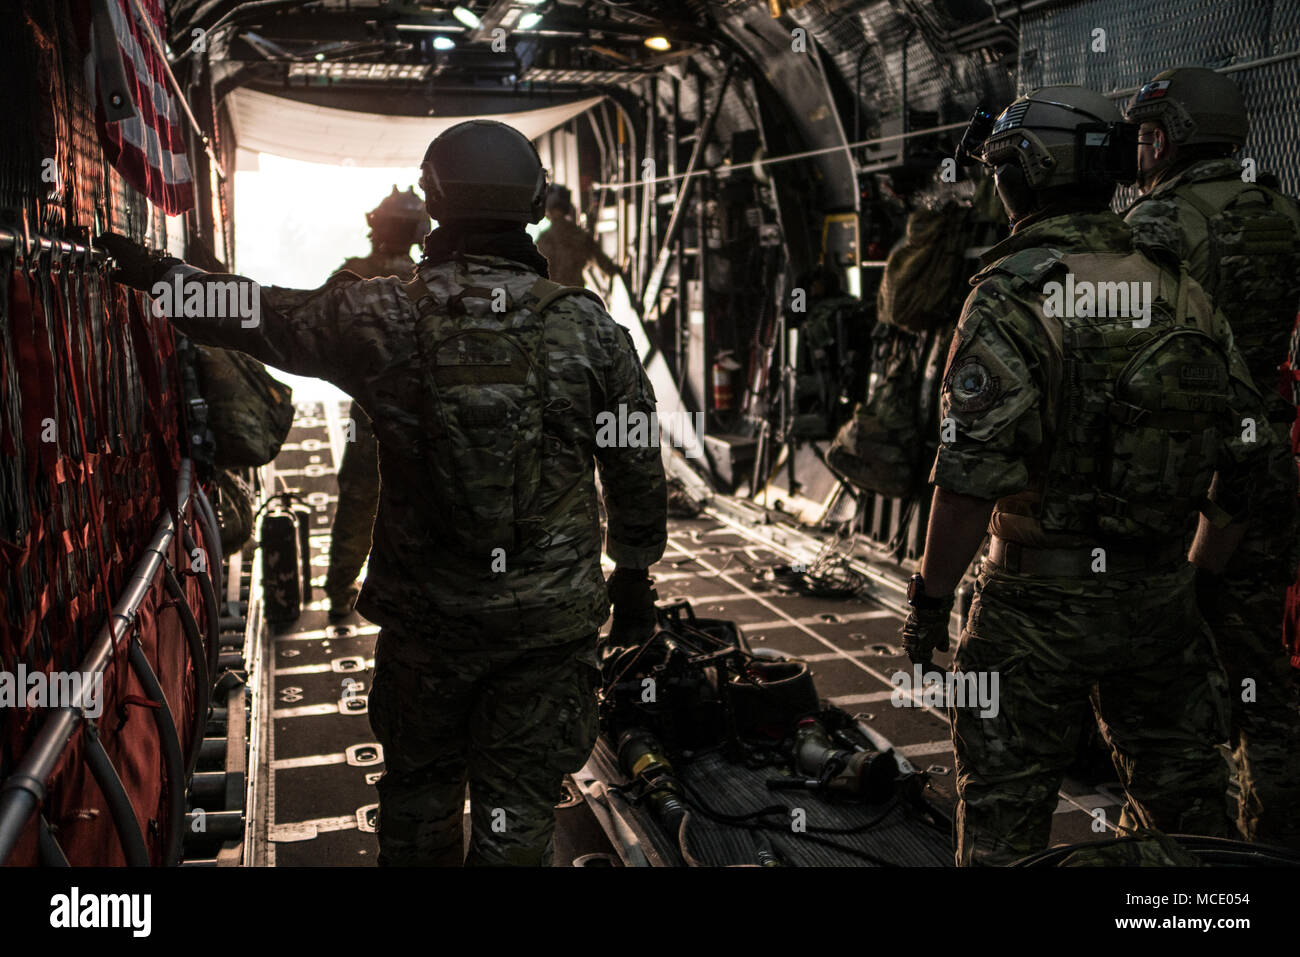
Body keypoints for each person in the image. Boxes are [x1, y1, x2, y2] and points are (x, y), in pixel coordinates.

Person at [96, 119, 668, 866]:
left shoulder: (380, 315)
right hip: (547, 636)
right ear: (531, 207)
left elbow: (262, 315)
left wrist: (151, 272)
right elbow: (634, 460)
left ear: (435, 204)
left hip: (427, 628)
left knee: (420, 795)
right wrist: (633, 574)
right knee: (517, 808)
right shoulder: (592, 333)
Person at [898, 86, 1274, 865]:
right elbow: (1249, 459)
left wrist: (930, 601)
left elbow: (969, 479)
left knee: (1005, 818)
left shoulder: (1012, 294)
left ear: (1023, 175)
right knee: (1189, 821)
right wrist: (1195, 580)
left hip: (1033, 610)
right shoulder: (1180, 289)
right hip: (1161, 602)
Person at [1123, 66, 1300, 850]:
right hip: (1268, 466)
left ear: (1176, 137)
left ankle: (1187, 857)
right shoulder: (1288, 213)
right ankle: (1276, 835)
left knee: (1165, 678)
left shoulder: (1160, 222)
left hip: (1182, 471)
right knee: (1267, 673)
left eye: (1149, 135)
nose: (1141, 150)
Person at [324, 187, 428, 620]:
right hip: (425, 414)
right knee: (425, 499)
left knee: (359, 496)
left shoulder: (352, 276)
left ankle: (340, 589)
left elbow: (321, 333)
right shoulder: (433, 277)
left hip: (367, 412)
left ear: (375, 226)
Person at [535, 184, 618, 286]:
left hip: (552, 297)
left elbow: (534, 275)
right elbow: (606, 266)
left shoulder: (543, 240)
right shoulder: (580, 236)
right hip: (575, 296)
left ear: (548, 210)